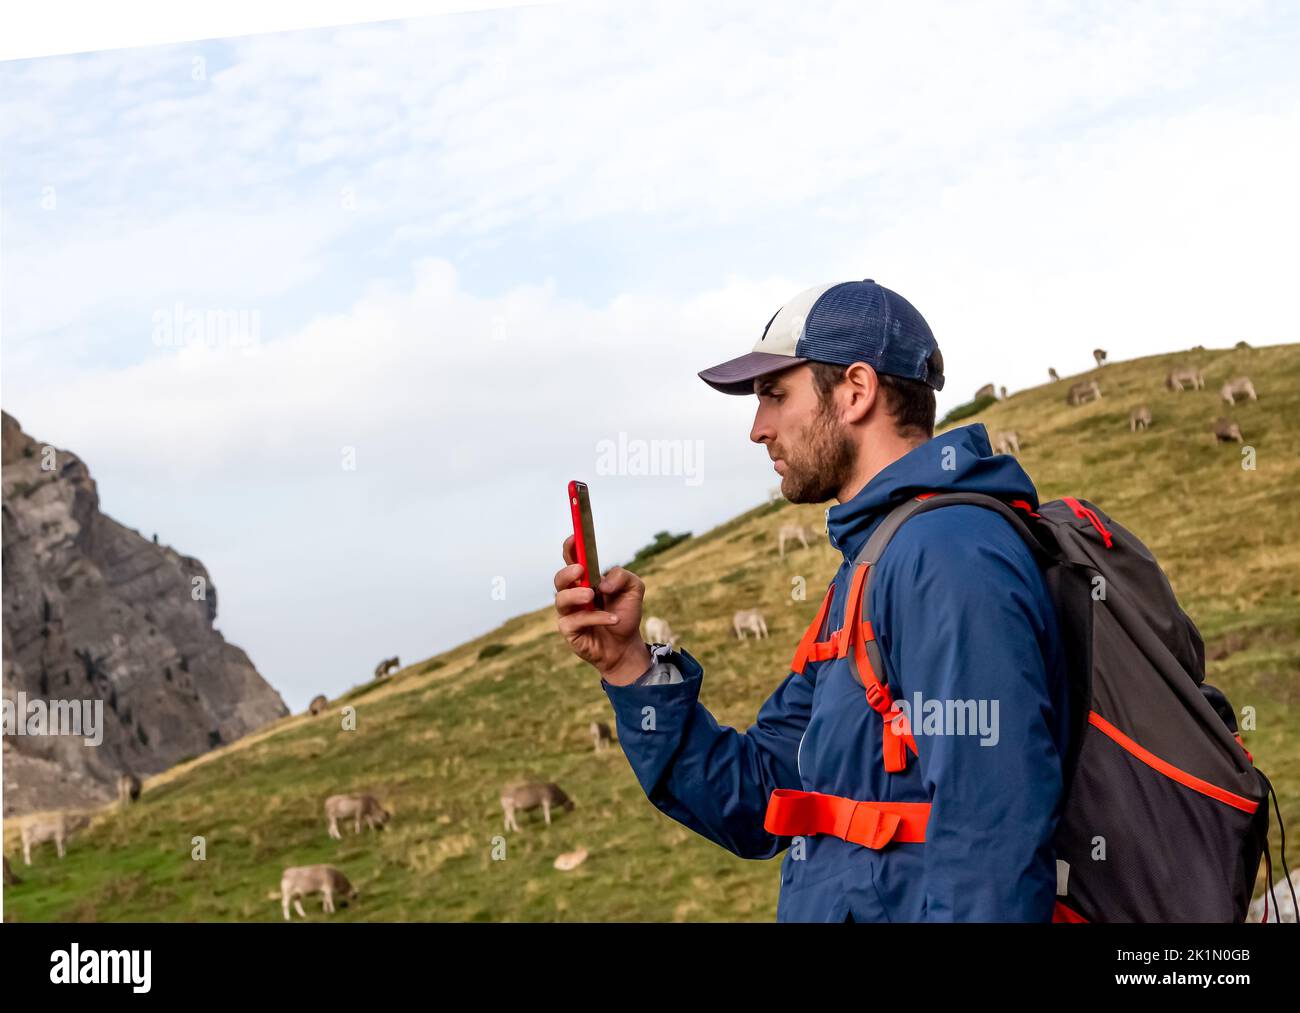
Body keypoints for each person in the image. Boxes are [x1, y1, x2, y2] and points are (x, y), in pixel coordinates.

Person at [553, 279, 1070, 921]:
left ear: (855, 391)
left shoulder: (947, 555)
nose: (757, 428)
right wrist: (629, 665)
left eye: (774, 395)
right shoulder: (871, 567)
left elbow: (994, 846)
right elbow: (760, 797)